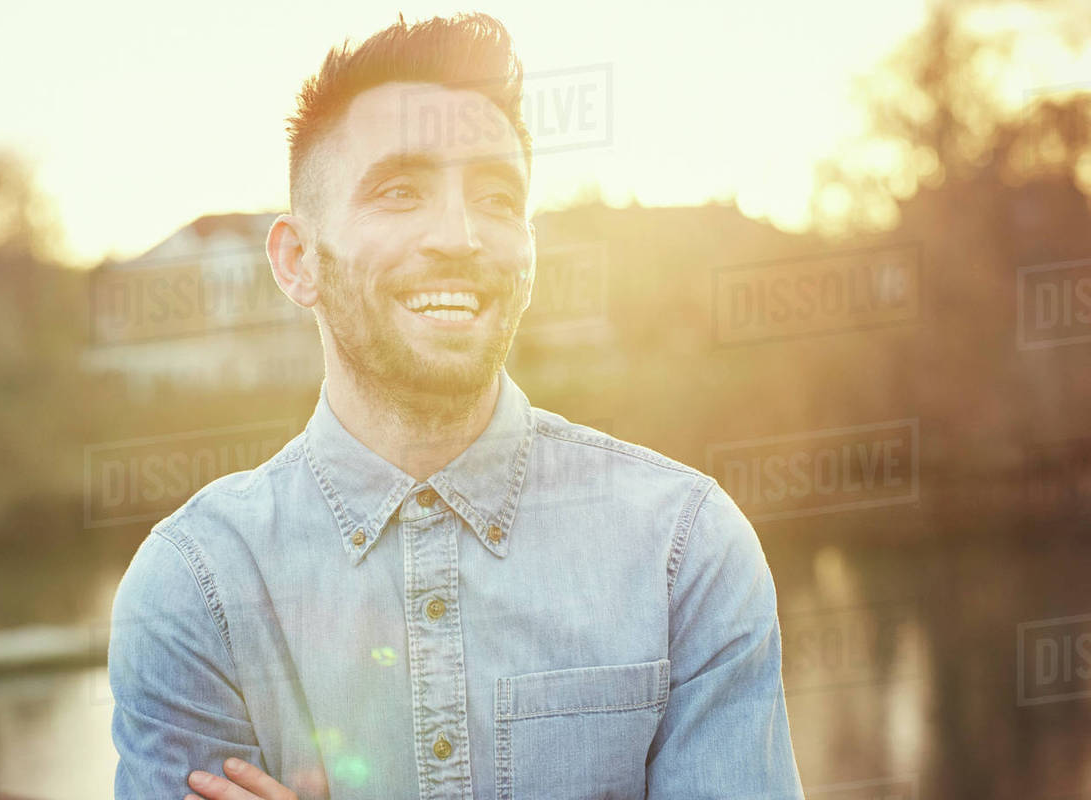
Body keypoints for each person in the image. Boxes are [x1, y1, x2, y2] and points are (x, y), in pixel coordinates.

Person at [108, 12, 803, 800]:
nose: (461, 235)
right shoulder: (194, 591)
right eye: (400, 191)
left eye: (498, 196)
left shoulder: (687, 554)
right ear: (298, 262)